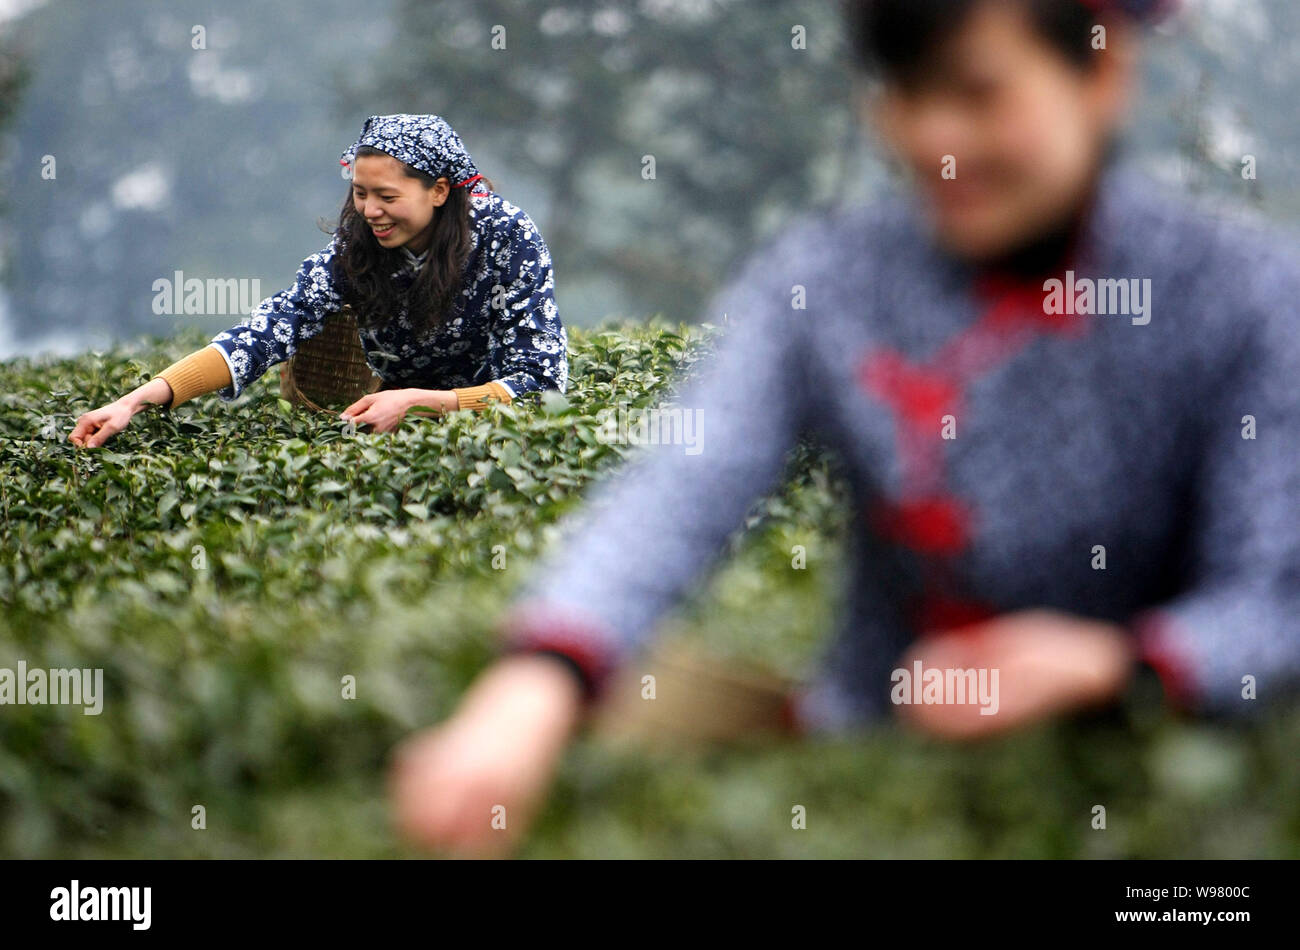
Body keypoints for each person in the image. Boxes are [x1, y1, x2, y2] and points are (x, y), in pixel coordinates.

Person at [394, 0, 1300, 857]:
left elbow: (1276, 595)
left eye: (979, 93)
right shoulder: (828, 282)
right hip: (874, 770)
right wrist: (536, 684)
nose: (934, 139)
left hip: (1173, 808)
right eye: (907, 94)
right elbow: (679, 489)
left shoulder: (1240, 295)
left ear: (1102, 76)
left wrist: (1117, 665)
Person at [68, 113, 566, 448]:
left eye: (387, 197)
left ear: (438, 191)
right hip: (388, 421)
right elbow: (266, 330)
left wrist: (421, 402)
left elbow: (543, 383)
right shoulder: (359, 246)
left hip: (490, 433)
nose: (370, 211)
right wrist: (136, 400)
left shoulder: (507, 237)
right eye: (361, 193)